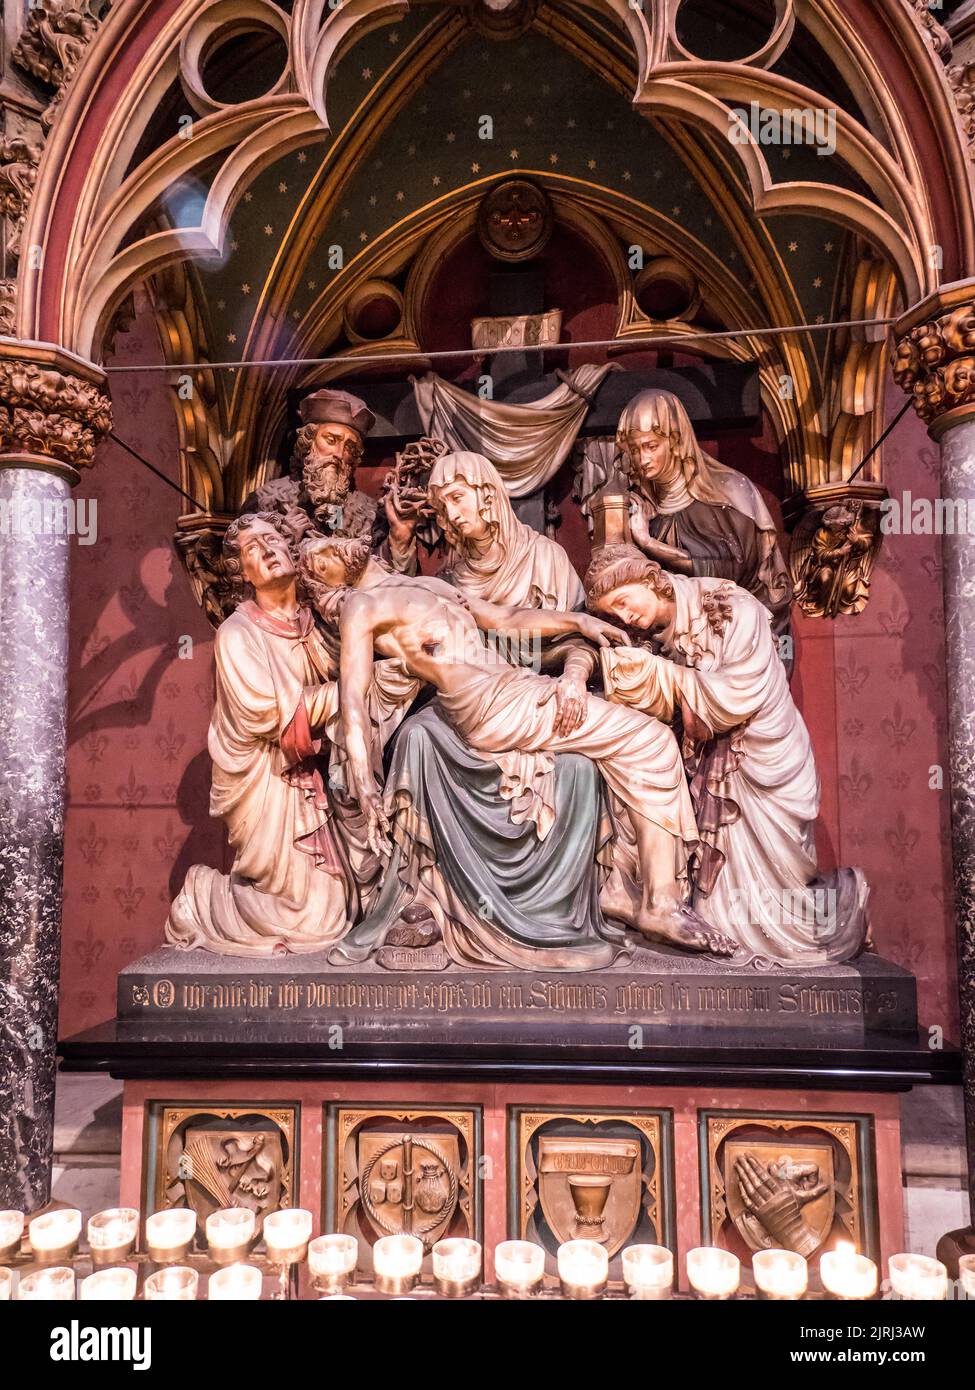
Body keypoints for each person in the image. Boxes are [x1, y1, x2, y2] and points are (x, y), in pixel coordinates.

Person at [301, 538, 738, 961]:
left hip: (515, 687)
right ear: (326, 584)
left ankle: (622, 888)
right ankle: (659, 903)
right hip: (491, 708)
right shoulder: (362, 606)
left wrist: (578, 622)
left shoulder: (427, 585)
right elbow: (353, 699)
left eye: (327, 540)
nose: (330, 547)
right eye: (317, 558)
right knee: (653, 741)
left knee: (632, 741)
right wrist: (363, 781)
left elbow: (506, 618)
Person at [584, 545, 869, 964]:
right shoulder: (658, 638)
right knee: (719, 907)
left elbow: (738, 693)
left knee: (769, 896)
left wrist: (660, 675)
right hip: (719, 762)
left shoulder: (731, 607)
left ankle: (815, 926)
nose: (624, 617)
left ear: (650, 580)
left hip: (763, 759)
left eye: (624, 602)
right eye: (614, 613)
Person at [165, 514, 417, 956]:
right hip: (272, 781)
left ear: (291, 550)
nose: (266, 551)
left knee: (344, 906)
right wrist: (354, 690)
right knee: (315, 919)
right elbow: (267, 713)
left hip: (326, 772)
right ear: (243, 573)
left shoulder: (320, 618)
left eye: (272, 540)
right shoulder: (236, 634)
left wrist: (398, 544)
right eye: (251, 550)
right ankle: (203, 899)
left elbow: (387, 615)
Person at [616, 389, 793, 649]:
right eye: (635, 450)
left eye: (651, 446)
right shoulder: (644, 510)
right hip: (676, 646)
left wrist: (649, 543)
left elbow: (729, 571)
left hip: (738, 635)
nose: (643, 459)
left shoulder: (728, 492)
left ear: (676, 440)